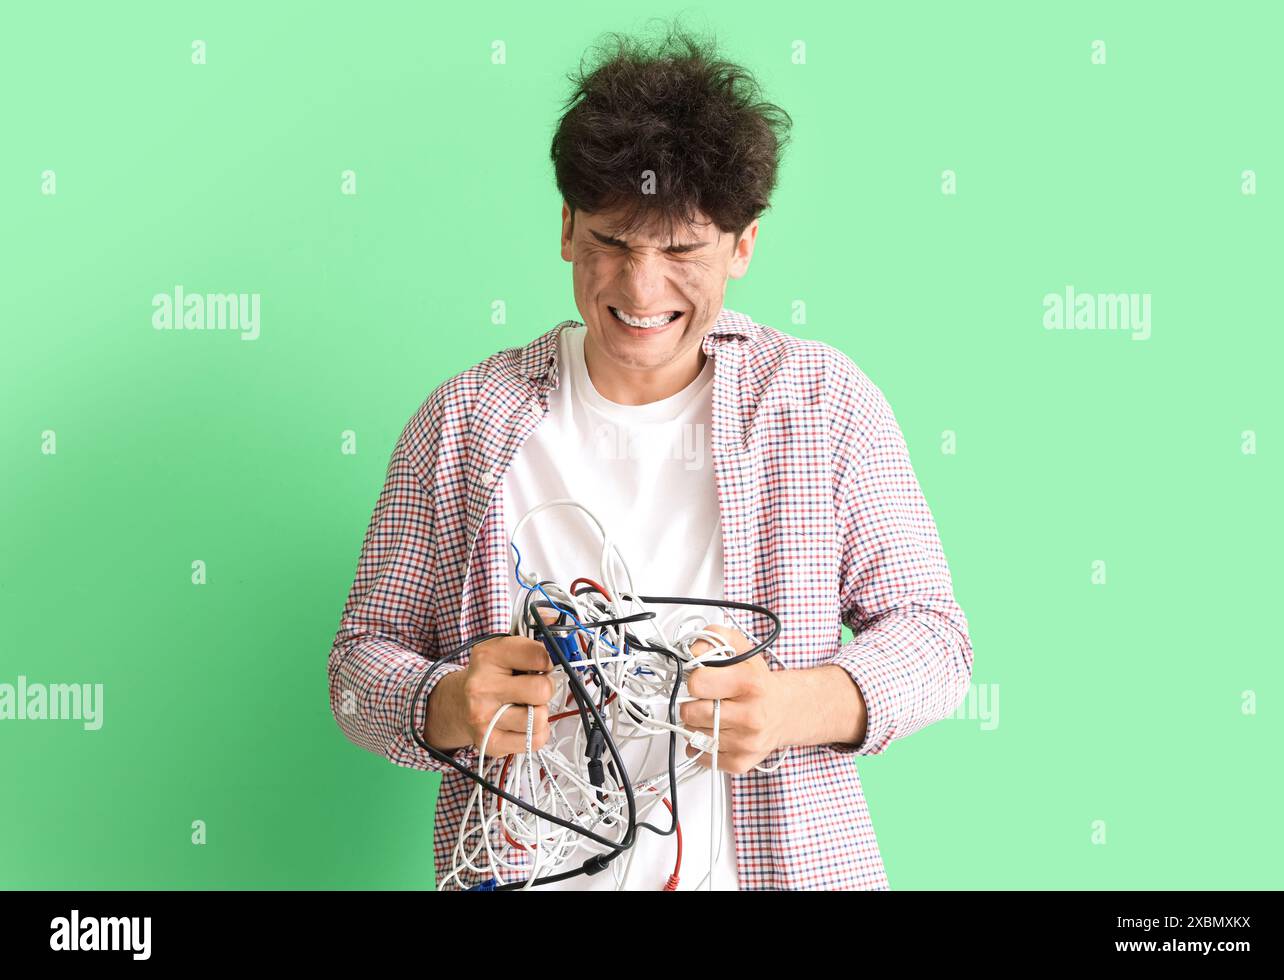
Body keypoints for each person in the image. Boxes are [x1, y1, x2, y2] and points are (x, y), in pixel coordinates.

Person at [327, 24, 973, 891]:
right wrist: (444, 704)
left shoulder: (818, 403)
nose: (639, 291)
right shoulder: (466, 422)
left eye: (680, 251)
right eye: (612, 243)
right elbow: (356, 667)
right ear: (565, 227)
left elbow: (936, 641)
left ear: (743, 246)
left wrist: (790, 708)